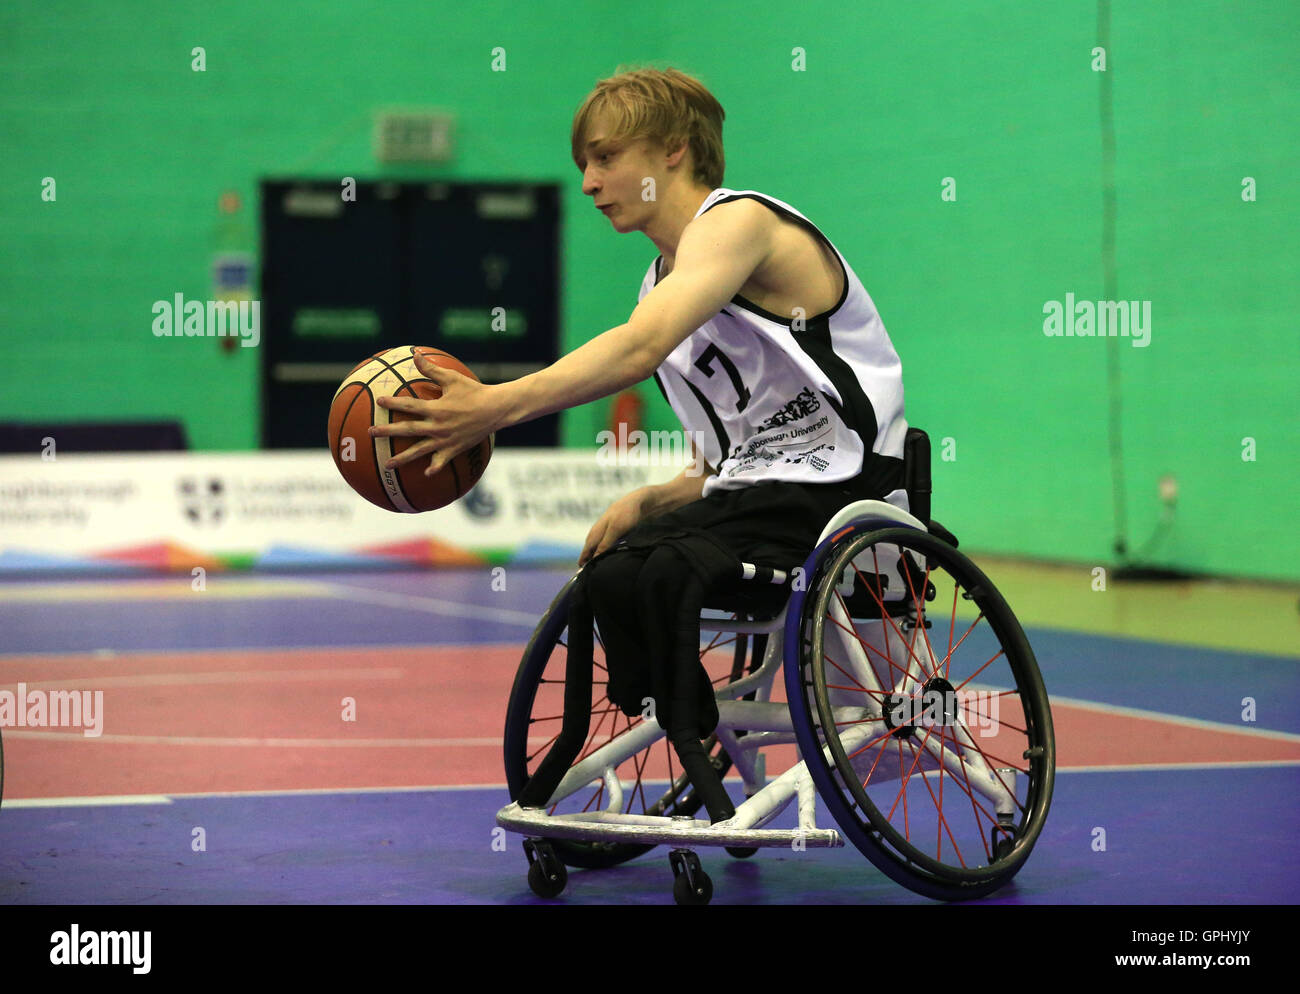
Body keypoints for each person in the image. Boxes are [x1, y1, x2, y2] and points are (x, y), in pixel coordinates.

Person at [371, 67, 909, 819]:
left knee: (673, 565)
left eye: (605, 157)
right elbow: (724, 462)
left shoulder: (740, 223)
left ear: (674, 151)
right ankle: (674, 719)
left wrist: (492, 406)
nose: (589, 182)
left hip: (845, 487)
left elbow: (635, 348)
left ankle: (690, 727)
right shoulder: (660, 282)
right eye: (583, 165)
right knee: (618, 566)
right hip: (763, 494)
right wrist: (651, 498)